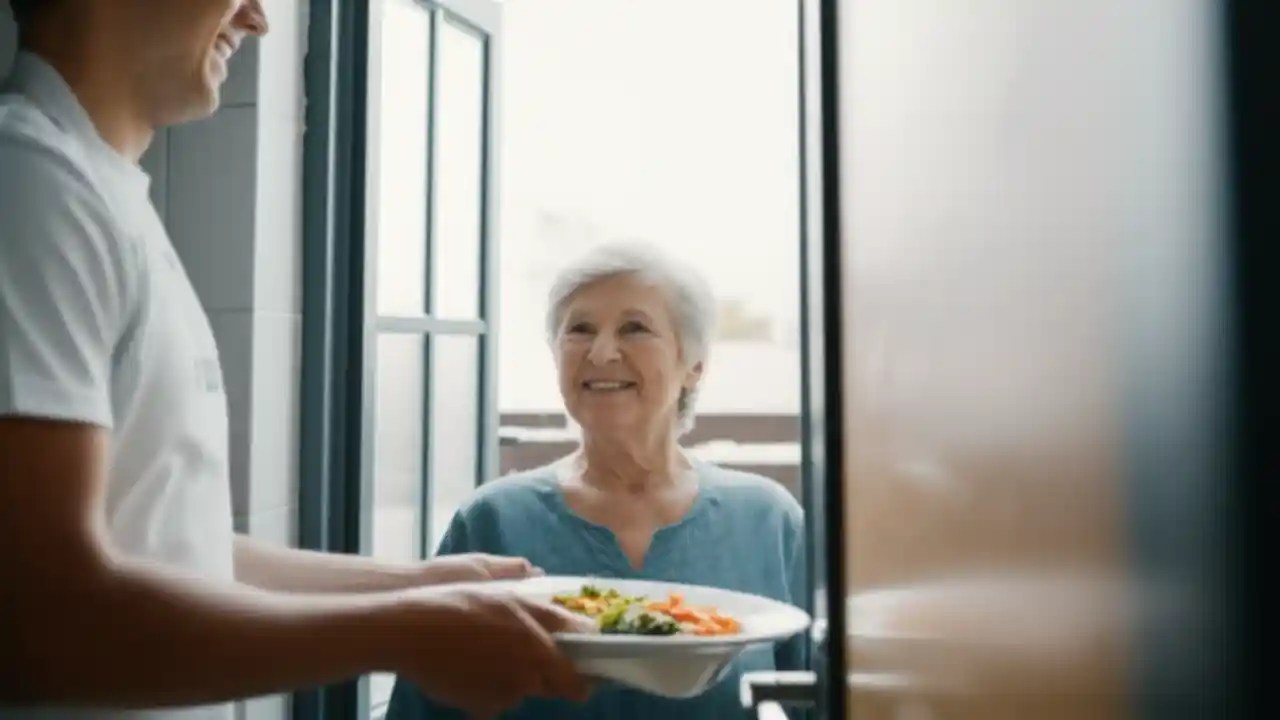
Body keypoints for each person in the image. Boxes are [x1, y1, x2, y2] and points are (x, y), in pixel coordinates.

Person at [0, 2, 591, 718]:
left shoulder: (96, 193)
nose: (256, 18)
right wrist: (411, 631)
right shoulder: (32, 185)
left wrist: (426, 585)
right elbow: (38, 615)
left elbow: (175, 549)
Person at [386, 243, 808, 719]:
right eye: (580, 330)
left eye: (635, 328)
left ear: (695, 364)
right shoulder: (494, 520)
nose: (601, 352)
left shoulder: (767, 520)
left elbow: (825, 698)